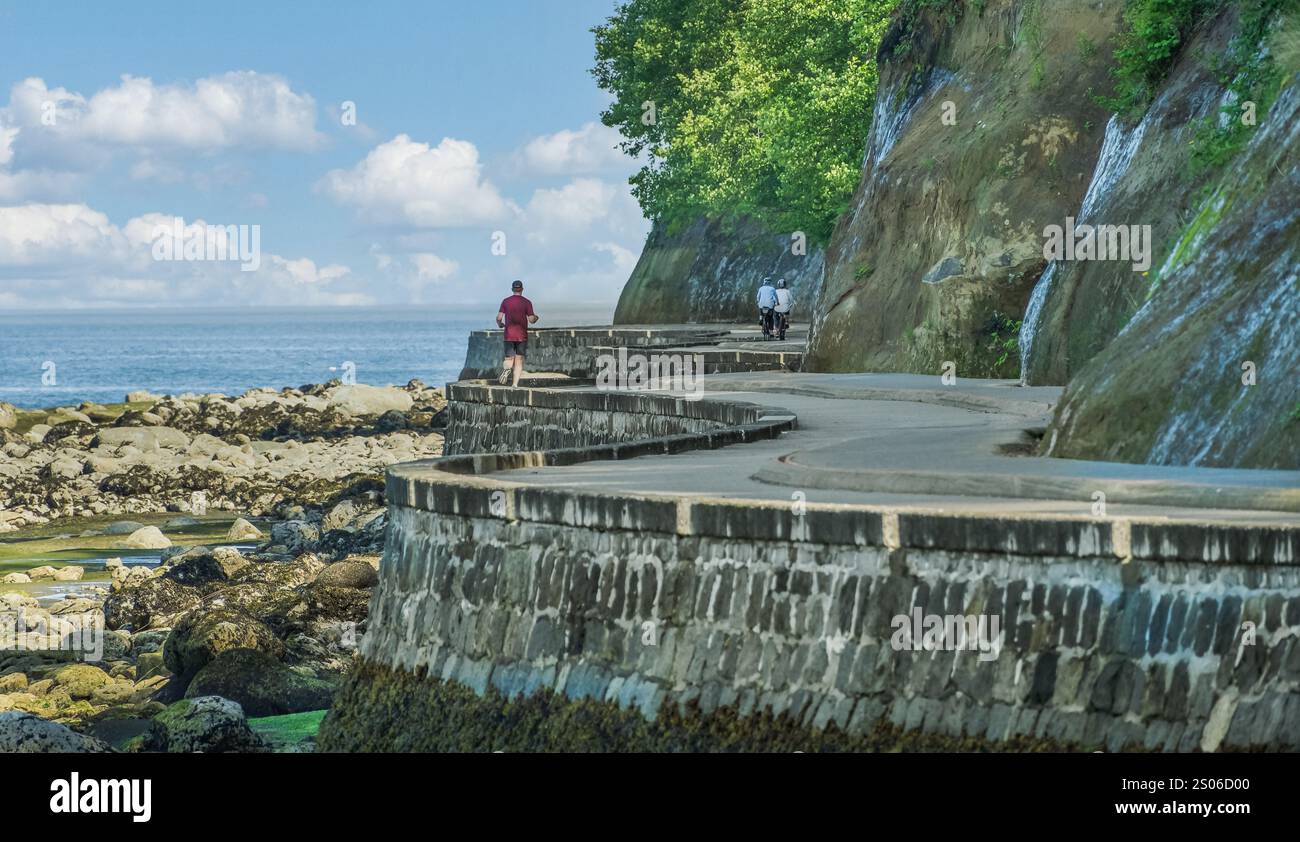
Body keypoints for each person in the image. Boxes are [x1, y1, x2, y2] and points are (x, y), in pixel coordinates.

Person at [496, 279, 538, 386]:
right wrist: (536, 317)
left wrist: (500, 324)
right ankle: (514, 385)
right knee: (518, 361)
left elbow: (499, 317)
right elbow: (532, 320)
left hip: (509, 335)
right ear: (522, 289)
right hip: (521, 336)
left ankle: (507, 369)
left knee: (509, 359)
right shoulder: (527, 302)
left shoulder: (506, 301)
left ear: (512, 289)